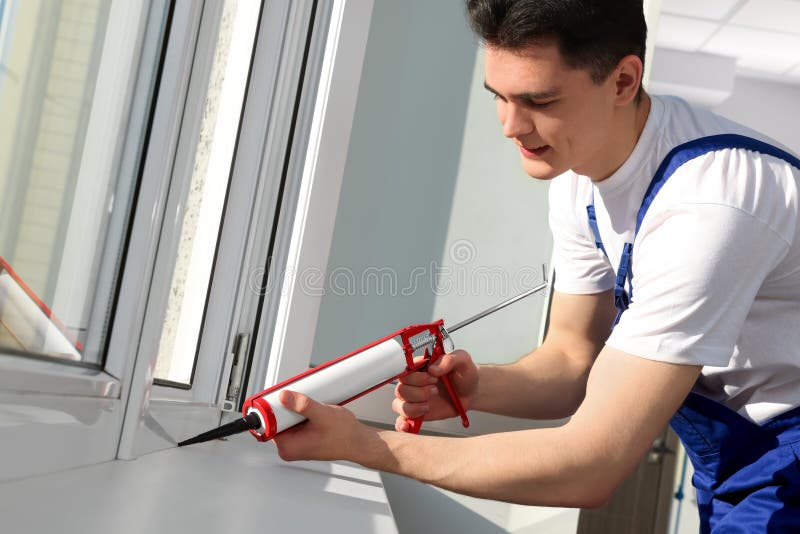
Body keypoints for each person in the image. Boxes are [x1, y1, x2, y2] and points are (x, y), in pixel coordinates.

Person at [273, 1, 800, 531]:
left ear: (622, 81)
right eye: (498, 96)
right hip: (741, 458)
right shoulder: (578, 177)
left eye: (539, 100)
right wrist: (478, 388)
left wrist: (364, 445)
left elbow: (590, 465)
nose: (510, 126)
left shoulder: (709, 207)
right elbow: (573, 355)